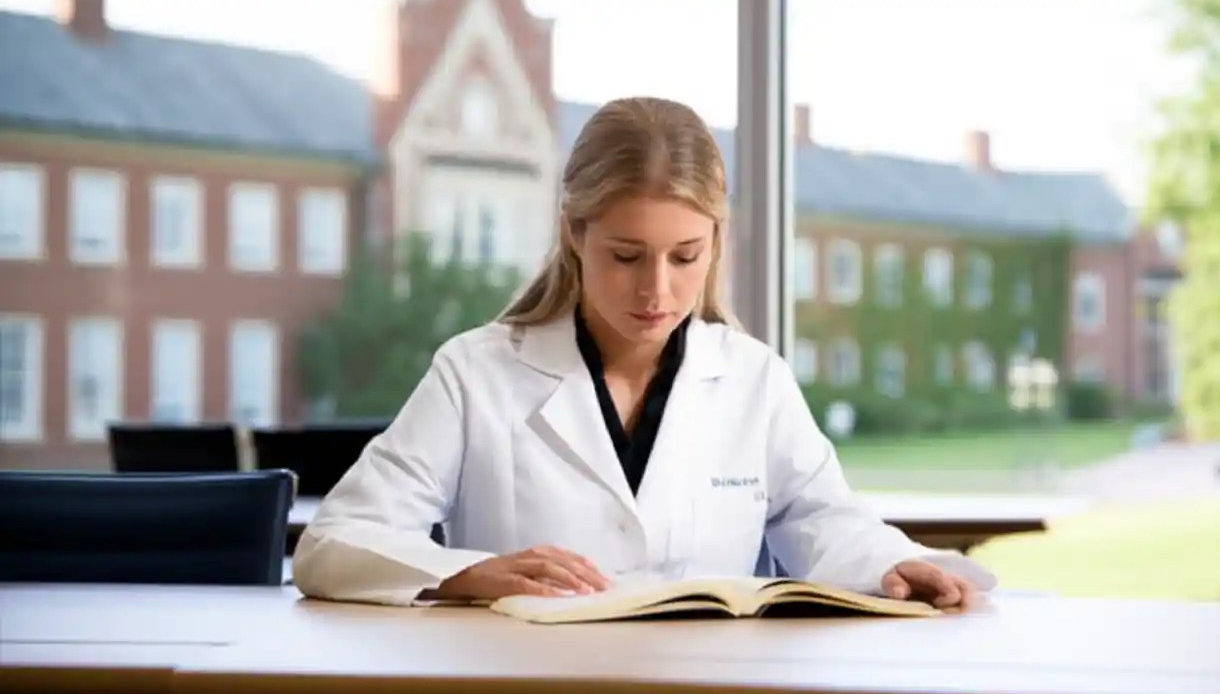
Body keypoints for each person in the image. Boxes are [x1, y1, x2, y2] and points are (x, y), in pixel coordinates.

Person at [293, 96, 997, 610]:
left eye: (685, 256)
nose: (656, 290)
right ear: (574, 232)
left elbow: (824, 520)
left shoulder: (753, 378)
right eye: (626, 256)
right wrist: (465, 573)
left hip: (708, 691)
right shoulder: (477, 372)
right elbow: (334, 544)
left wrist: (897, 563)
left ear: (716, 241)